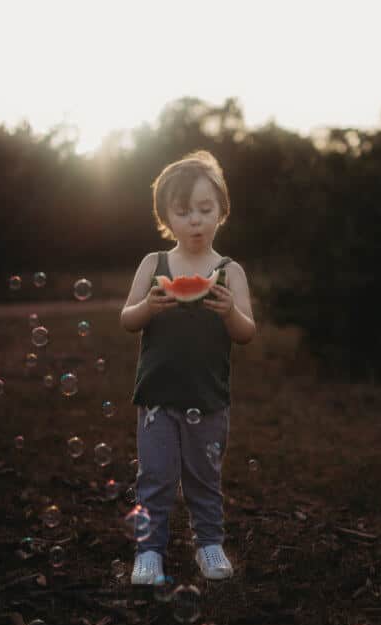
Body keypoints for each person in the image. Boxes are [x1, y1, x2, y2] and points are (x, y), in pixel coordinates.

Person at [119, 149, 256, 584]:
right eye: (183, 212)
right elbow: (127, 319)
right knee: (154, 477)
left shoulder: (230, 272)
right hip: (156, 397)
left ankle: (209, 544)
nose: (195, 220)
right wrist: (148, 305)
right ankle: (149, 551)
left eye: (205, 209)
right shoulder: (153, 265)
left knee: (204, 478)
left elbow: (246, 331)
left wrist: (230, 311)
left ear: (221, 211)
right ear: (166, 218)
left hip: (208, 398)